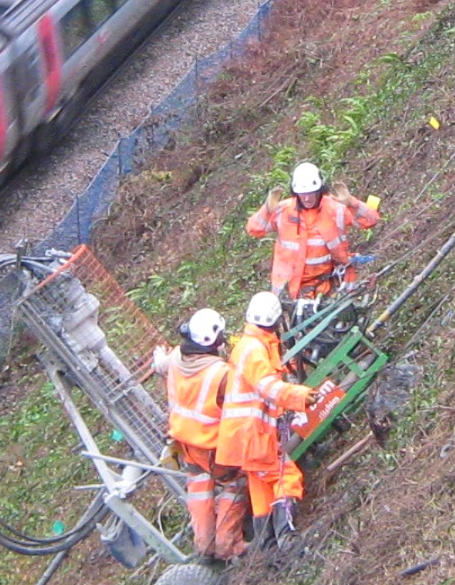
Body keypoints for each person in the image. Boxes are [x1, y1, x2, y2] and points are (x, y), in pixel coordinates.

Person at [215, 292, 312, 548]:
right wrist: (301, 397)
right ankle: (287, 538)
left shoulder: (248, 345)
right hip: (252, 435)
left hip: (242, 436)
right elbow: (268, 387)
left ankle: (267, 546)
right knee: (285, 475)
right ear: (276, 320)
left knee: (261, 486)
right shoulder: (255, 350)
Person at [154, 309, 248, 563]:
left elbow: (159, 365)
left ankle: (204, 546)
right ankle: (227, 545)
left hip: (186, 445)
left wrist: (157, 355)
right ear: (213, 341)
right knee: (235, 485)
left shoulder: (175, 358)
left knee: (199, 493)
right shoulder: (220, 374)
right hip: (215, 449)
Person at [246, 161, 381, 310]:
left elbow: (371, 220)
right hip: (290, 290)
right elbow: (254, 229)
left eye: (311, 193)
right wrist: (266, 210)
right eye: (303, 194)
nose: (307, 198)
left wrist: (352, 203)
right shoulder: (283, 210)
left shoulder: (335, 208)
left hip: (327, 285)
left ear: (320, 190)